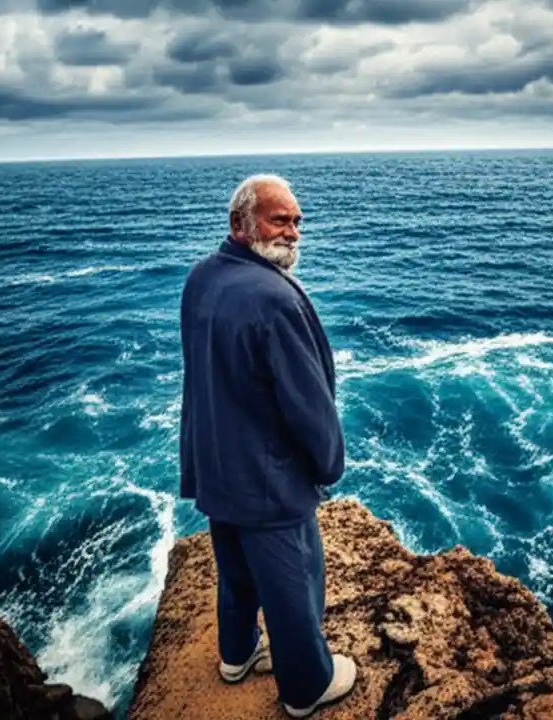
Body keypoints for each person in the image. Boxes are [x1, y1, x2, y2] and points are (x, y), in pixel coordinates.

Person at [179, 174, 356, 717]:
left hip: (214, 462)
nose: (294, 232)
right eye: (280, 220)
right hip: (268, 478)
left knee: (234, 569)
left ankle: (237, 654)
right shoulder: (275, 298)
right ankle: (306, 686)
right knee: (293, 585)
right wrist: (328, 465)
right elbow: (307, 400)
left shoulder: (201, 277)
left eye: (298, 221)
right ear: (240, 223)